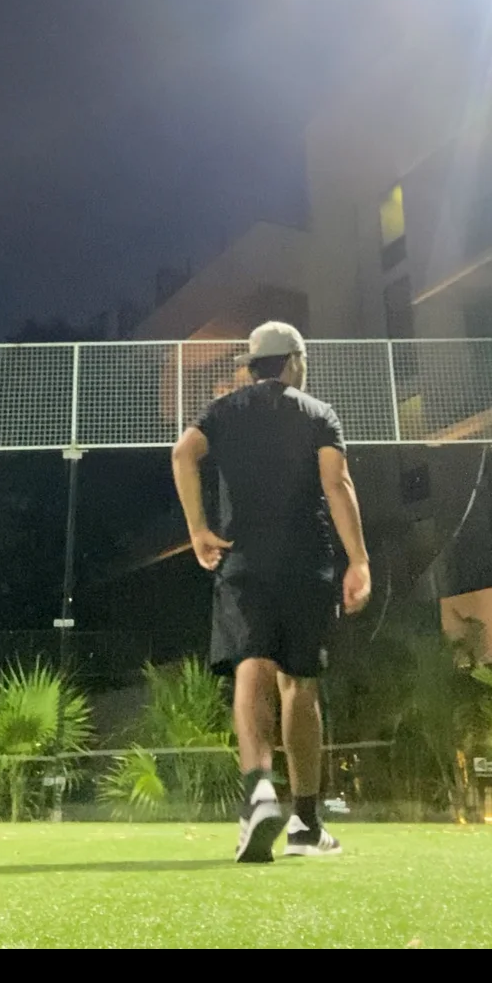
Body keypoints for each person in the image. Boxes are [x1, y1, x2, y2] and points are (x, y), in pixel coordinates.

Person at [172, 320, 371, 863]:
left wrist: (198, 529)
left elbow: (183, 454)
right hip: (306, 565)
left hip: (244, 561)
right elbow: (337, 483)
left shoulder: (224, 411)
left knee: (251, 667)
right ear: (295, 361)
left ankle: (259, 790)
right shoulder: (318, 413)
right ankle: (306, 824)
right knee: (299, 683)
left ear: (253, 365)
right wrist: (358, 560)